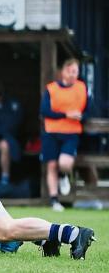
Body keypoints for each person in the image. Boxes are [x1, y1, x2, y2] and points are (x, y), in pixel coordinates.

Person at [41, 59, 90, 212]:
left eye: (75, 71)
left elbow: (89, 109)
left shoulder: (82, 88)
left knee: (65, 163)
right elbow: (44, 111)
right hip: (51, 132)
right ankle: (54, 200)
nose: (72, 74)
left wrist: (82, 116)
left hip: (71, 132)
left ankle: (64, 175)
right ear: (63, 72)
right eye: (70, 71)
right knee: (51, 165)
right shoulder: (51, 89)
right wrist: (66, 114)